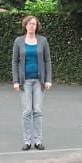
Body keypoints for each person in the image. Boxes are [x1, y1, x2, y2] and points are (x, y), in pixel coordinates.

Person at [12, 15, 53, 150]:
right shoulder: (19, 41)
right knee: (27, 111)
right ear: (25, 25)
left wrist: (48, 79)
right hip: (25, 81)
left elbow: (47, 61)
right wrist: (16, 81)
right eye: (29, 23)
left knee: (37, 110)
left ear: (37, 26)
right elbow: (15, 61)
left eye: (34, 24)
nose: (31, 26)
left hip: (39, 81)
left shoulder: (42, 41)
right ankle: (27, 141)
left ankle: (38, 140)